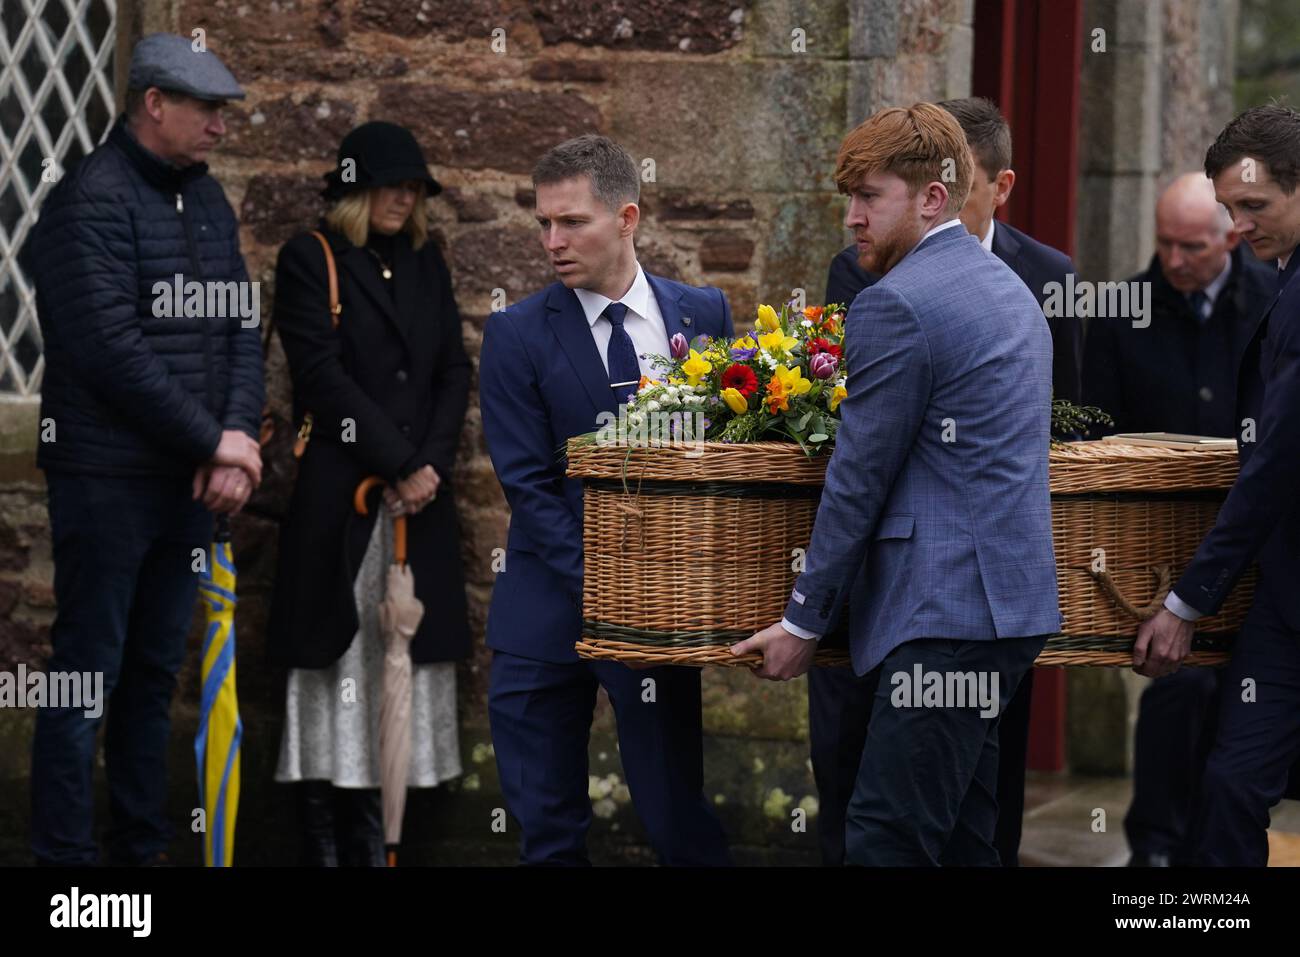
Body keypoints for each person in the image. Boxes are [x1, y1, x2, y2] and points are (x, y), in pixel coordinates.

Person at [735, 103, 1061, 866]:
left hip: (942, 615)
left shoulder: (896, 303)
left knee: (886, 841)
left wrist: (803, 622)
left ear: (933, 198)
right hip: (1007, 614)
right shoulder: (1010, 288)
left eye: (869, 197)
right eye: (849, 197)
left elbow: (857, 478)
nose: (852, 218)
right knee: (963, 843)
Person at [23, 34, 264, 866]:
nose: (220, 127)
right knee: (88, 672)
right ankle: (65, 860)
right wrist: (214, 439)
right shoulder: (89, 199)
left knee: (154, 674)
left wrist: (230, 446)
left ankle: (141, 846)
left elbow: (240, 326)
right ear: (154, 104)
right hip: (105, 481)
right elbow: (106, 349)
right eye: (207, 109)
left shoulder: (205, 201)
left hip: (186, 486)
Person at [479, 134, 732, 865]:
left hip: (659, 622)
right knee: (549, 834)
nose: (553, 241)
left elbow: (716, 461)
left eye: (572, 222)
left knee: (678, 819)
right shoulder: (515, 333)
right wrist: (606, 585)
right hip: (544, 615)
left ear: (627, 217)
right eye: (543, 224)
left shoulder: (703, 315)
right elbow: (528, 485)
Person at [267, 121, 472, 866]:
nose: (403, 197)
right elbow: (320, 375)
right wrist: (396, 461)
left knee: (404, 662)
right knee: (337, 663)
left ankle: (386, 838)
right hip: (344, 504)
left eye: (413, 186)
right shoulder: (309, 258)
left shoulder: (426, 260)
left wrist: (431, 467)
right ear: (355, 188)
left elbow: (454, 368)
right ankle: (327, 839)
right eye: (391, 183)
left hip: (419, 504)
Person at [1083, 173, 1274, 866]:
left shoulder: (1274, 300)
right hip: (1159, 550)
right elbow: (1097, 436)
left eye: (1190, 245)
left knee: (1244, 699)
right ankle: (1157, 852)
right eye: (1162, 243)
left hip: (1258, 541)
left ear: (1229, 237)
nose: (1173, 260)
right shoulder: (1119, 310)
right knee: (1178, 681)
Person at [1134, 105, 1300, 867]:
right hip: (1281, 599)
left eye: (1254, 208)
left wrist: (1184, 598)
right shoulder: (1281, 279)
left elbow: (1275, 461)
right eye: (1230, 208)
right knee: (1233, 786)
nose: (1239, 226)